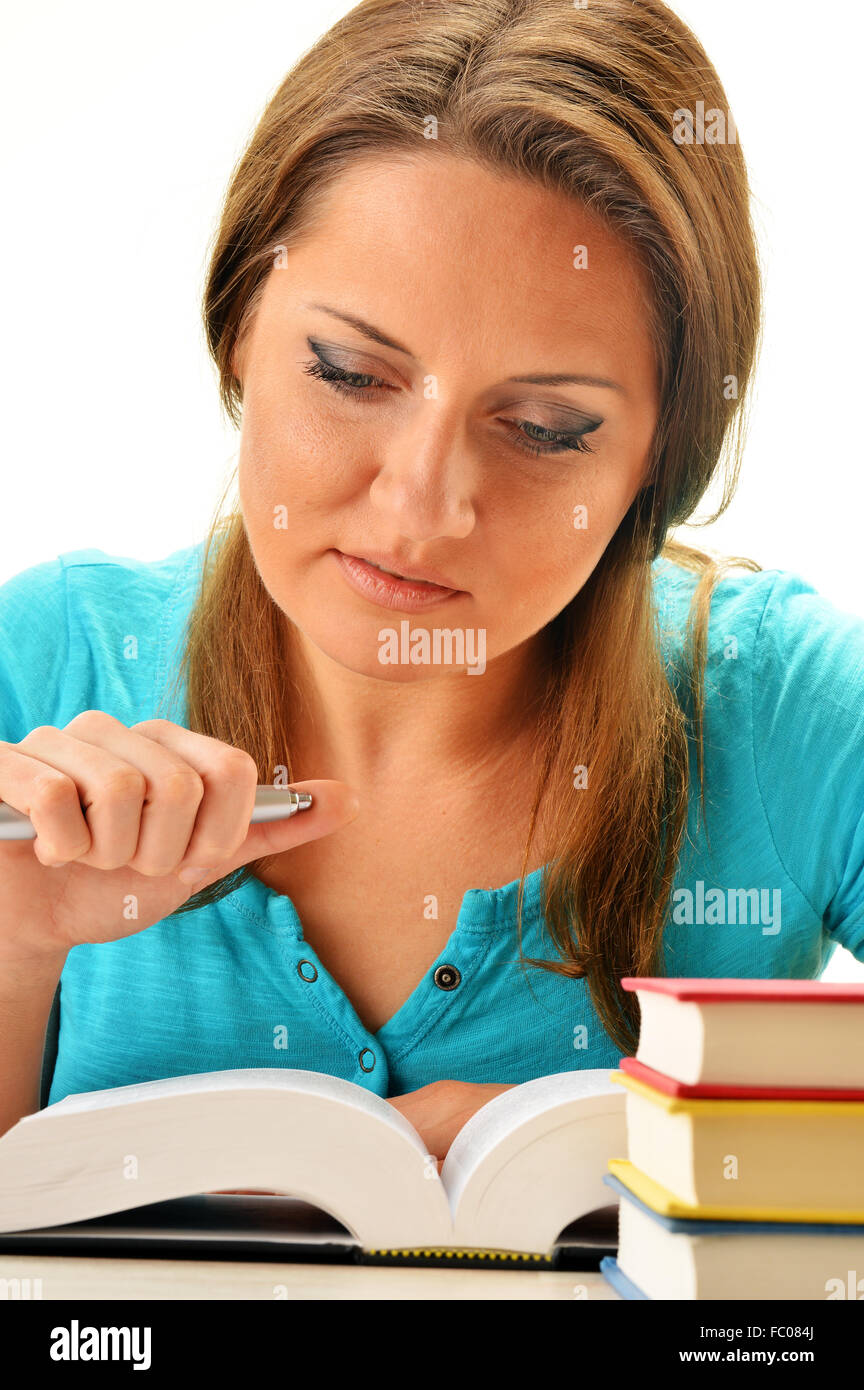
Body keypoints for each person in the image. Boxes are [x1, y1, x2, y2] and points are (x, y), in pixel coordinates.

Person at [1, 0, 862, 1164]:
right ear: (239, 327)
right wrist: (13, 950)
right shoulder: (46, 666)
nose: (420, 508)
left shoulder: (789, 713)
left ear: (660, 465)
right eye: (352, 372)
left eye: (547, 427)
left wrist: (640, 1141)